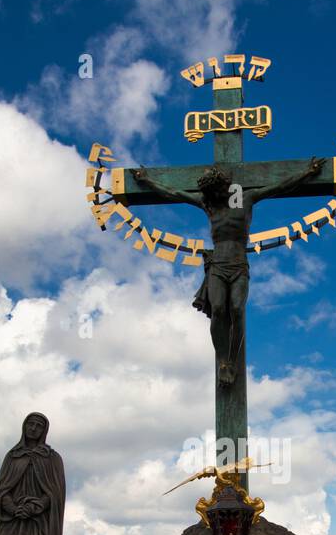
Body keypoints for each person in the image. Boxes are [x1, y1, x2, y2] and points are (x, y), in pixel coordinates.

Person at [133, 158, 323, 386]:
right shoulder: (209, 204)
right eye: (213, 192)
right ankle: (224, 361)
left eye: (219, 190)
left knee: (237, 309)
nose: (217, 195)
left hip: (239, 265)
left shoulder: (247, 199)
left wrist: (307, 173)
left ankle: (232, 360)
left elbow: (280, 186)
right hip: (217, 266)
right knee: (220, 310)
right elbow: (174, 193)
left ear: (226, 186)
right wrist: (147, 181)